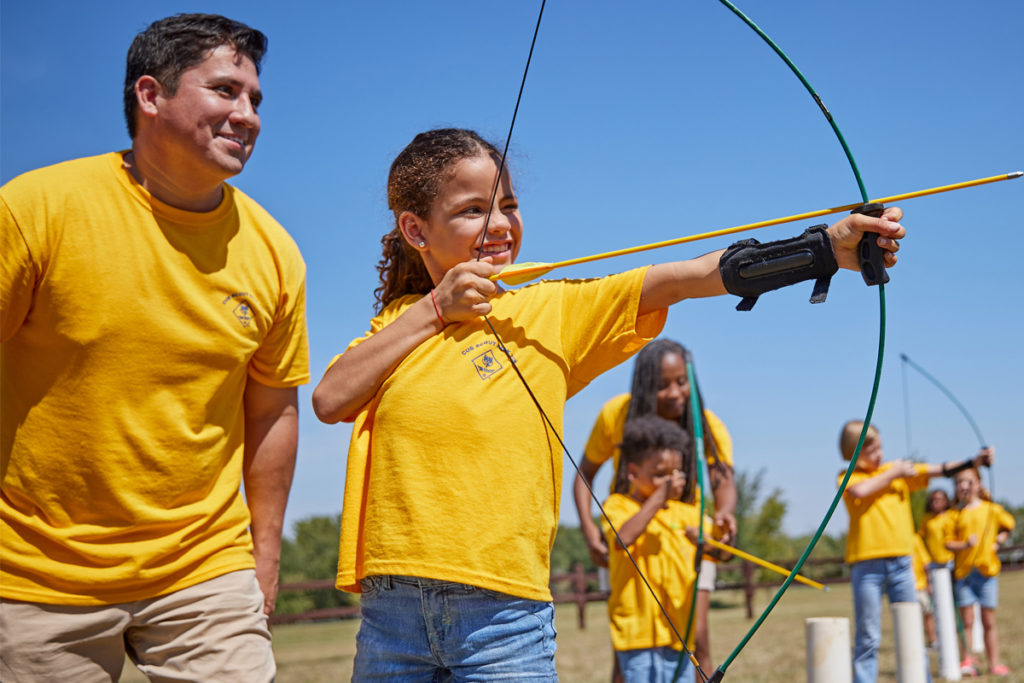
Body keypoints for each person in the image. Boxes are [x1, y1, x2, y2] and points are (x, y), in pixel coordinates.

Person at [312, 126, 905, 680]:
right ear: (416, 230)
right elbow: (330, 398)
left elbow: (687, 276)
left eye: (509, 205)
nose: (499, 223)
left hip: (503, 616)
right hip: (392, 613)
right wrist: (435, 308)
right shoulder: (399, 323)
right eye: (473, 210)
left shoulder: (550, 311)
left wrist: (825, 250)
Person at [0, 14, 308, 682]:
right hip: (36, 574)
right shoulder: (36, 208)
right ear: (151, 95)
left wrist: (263, 561)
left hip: (206, 570)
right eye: (226, 91)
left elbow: (274, 411)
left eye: (255, 99)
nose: (248, 114)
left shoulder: (276, 253)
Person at [574, 338, 735, 673]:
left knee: (697, 638)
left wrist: (723, 516)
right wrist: (591, 532)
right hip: (631, 540)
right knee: (627, 651)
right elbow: (584, 474)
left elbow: (724, 482)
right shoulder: (617, 414)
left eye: (681, 382)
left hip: (687, 539)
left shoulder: (705, 424)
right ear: (645, 385)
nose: (675, 393)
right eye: (662, 386)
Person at [837, 421, 993, 683]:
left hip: (901, 563)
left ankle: (921, 678)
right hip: (866, 568)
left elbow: (939, 469)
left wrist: (973, 461)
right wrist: (893, 473)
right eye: (872, 451)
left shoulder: (895, 473)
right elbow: (860, 491)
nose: (880, 455)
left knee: (911, 628)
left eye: (880, 448)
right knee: (868, 633)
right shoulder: (848, 476)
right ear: (853, 454)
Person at [601, 416, 703, 683]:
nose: (668, 482)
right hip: (637, 638)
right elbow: (622, 538)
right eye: (658, 475)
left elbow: (721, 549)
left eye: (674, 474)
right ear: (633, 473)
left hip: (679, 635)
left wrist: (725, 534)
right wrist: (661, 496)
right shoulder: (617, 506)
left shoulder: (686, 513)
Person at [946, 466, 1014, 677]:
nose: (963, 486)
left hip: (987, 573)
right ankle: (967, 660)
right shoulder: (954, 515)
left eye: (967, 481)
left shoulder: (991, 509)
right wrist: (964, 544)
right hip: (964, 574)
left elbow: (1008, 524)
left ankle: (994, 663)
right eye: (958, 483)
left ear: (978, 484)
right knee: (966, 621)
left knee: (988, 621)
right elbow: (948, 543)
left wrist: (998, 540)